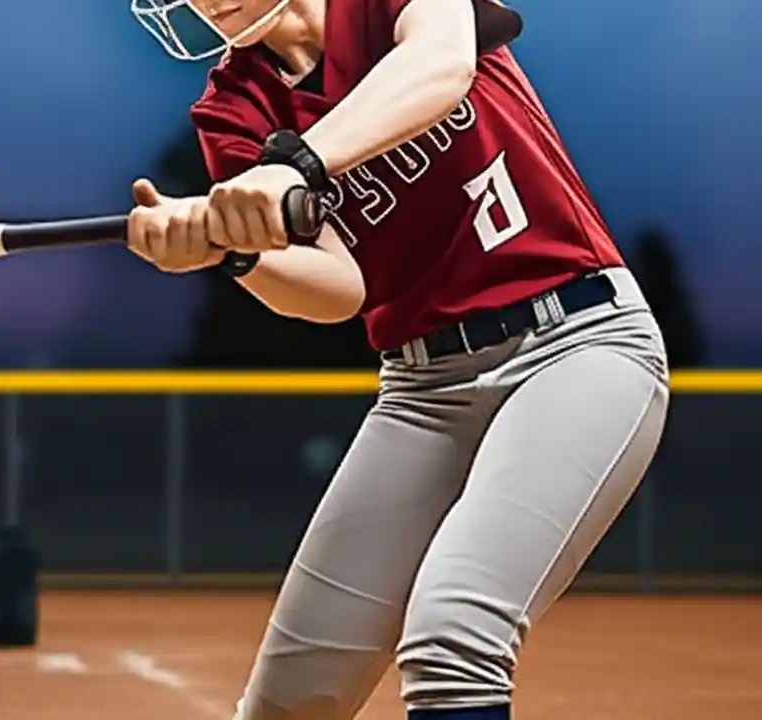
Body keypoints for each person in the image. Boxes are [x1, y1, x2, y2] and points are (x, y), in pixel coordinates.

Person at [125, 1, 670, 719]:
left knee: (454, 639)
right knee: (289, 702)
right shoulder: (233, 107)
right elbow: (339, 290)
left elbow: (441, 65)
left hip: (576, 340)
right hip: (423, 390)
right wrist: (235, 254)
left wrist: (295, 165)